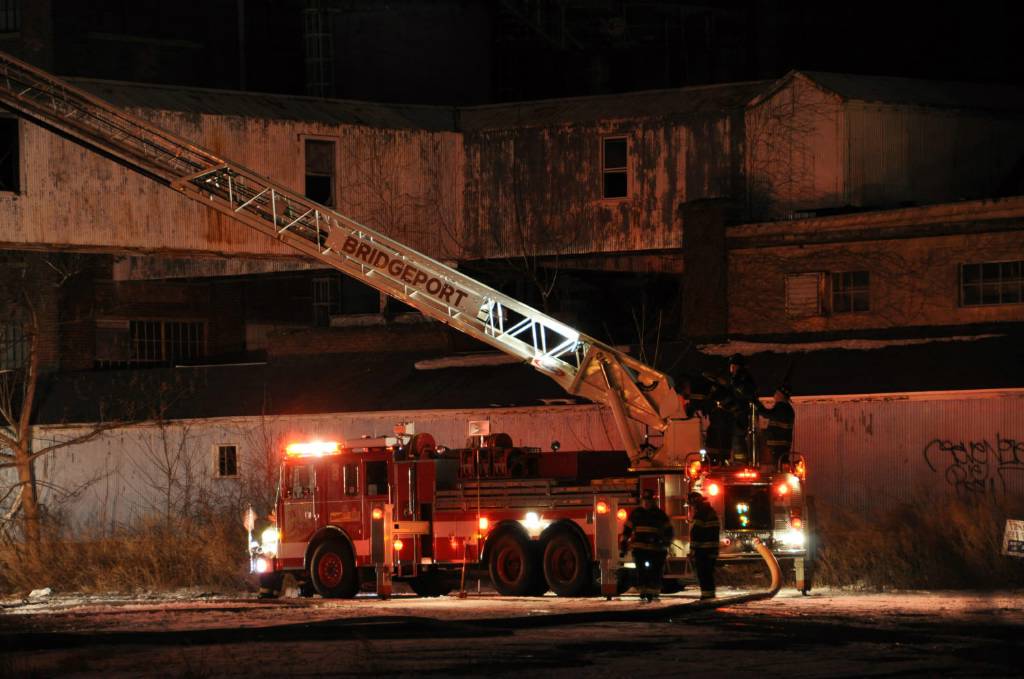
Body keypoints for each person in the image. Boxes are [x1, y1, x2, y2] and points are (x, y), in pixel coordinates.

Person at [620, 488, 673, 602]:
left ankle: (652, 592)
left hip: (655, 550)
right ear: (641, 500)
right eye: (645, 500)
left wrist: (666, 541)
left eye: (649, 500)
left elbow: (669, 530)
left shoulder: (659, 514)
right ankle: (643, 591)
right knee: (641, 571)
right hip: (640, 550)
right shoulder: (636, 514)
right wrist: (623, 543)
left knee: (655, 572)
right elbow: (627, 530)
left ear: (653, 501)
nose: (646, 502)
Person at [687, 491, 720, 600]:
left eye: (691, 505)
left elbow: (696, 533)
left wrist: (692, 550)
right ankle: (709, 595)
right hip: (711, 550)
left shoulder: (701, 514)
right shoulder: (709, 511)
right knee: (708, 574)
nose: (691, 508)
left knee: (704, 574)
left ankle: (707, 597)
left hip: (703, 551)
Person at [727, 354, 758, 463]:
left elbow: (747, 393)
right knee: (735, 437)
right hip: (736, 413)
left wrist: (736, 385)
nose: (731, 368)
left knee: (738, 437)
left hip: (741, 413)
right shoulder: (735, 378)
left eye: (733, 365)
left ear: (738, 366)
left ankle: (741, 462)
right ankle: (737, 461)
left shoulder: (743, 378)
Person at [757, 384, 795, 468]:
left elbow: (768, 414)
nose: (775, 394)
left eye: (777, 392)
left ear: (781, 395)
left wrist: (757, 405)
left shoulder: (782, 408)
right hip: (780, 449)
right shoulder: (787, 409)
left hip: (776, 450)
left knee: (775, 471)